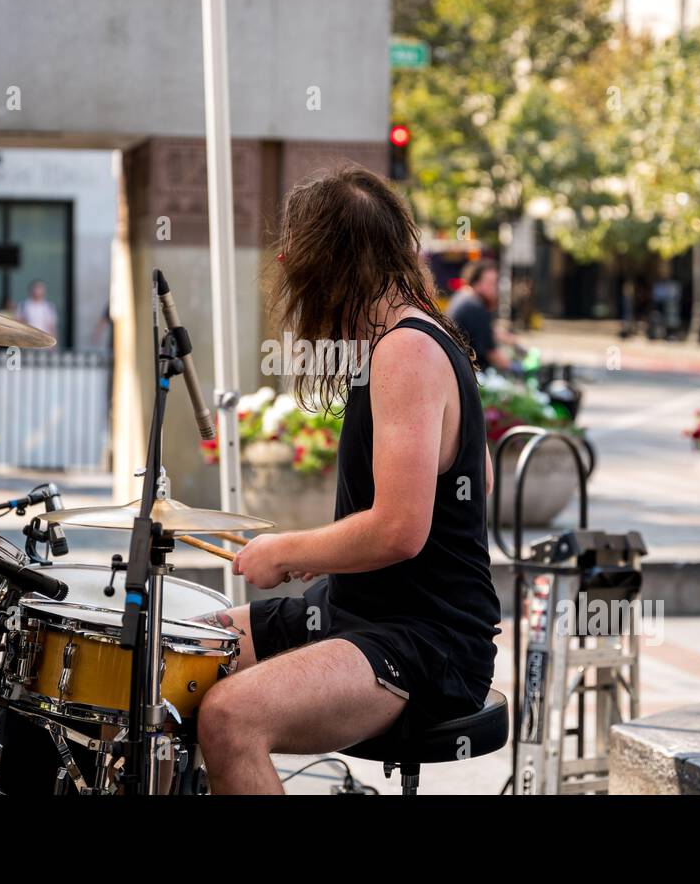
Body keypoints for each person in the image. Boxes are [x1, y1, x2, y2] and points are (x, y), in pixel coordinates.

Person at [192, 166, 501, 795]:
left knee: (229, 718)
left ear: (328, 266)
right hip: (356, 611)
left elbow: (399, 531)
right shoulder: (423, 337)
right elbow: (480, 480)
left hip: (425, 641)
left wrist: (285, 551)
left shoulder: (406, 352)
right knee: (186, 656)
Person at [446, 259, 513, 371]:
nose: (495, 289)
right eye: (492, 283)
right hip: (472, 373)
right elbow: (492, 355)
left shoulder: (462, 296)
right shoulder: (476, 306)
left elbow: (481, 331)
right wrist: (516, 367)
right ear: (477, 283)